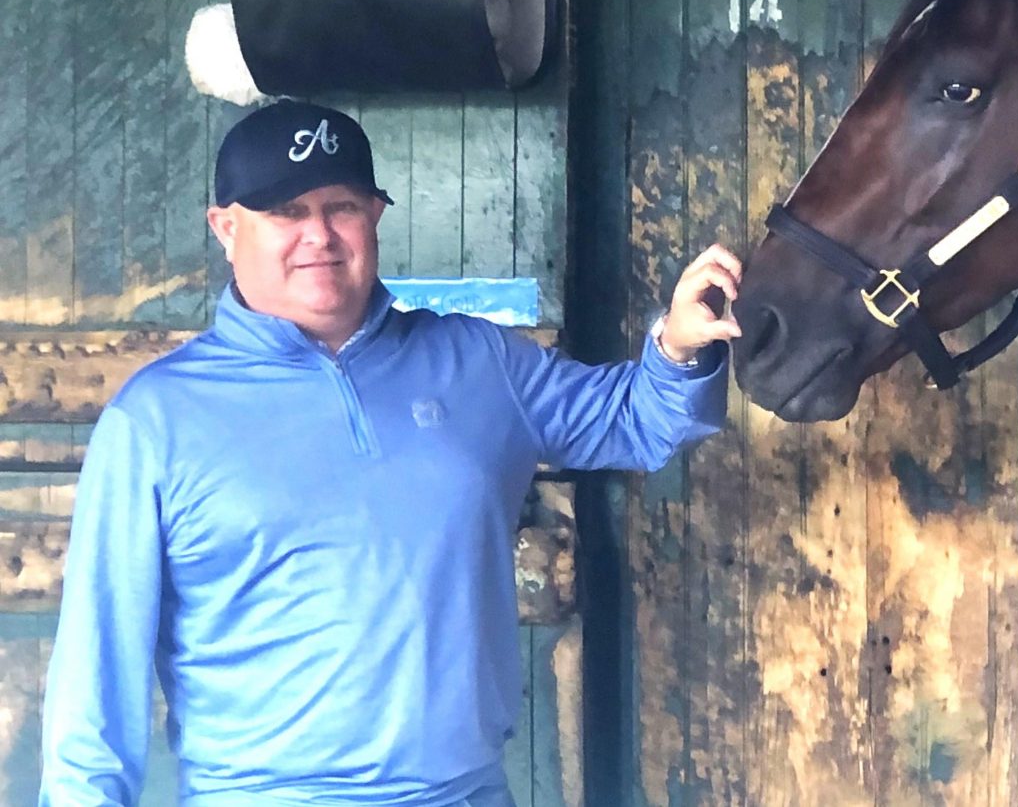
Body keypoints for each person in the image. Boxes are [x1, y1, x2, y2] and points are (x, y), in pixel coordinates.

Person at [40, 99, 740, 807]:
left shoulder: (478, 362)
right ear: (226, 227)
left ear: (374, 216)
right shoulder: (156, 421)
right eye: (285, 211)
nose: (318, 233)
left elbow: (637, 422)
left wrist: (678, 344)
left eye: (340, 205)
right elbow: (95, 686)